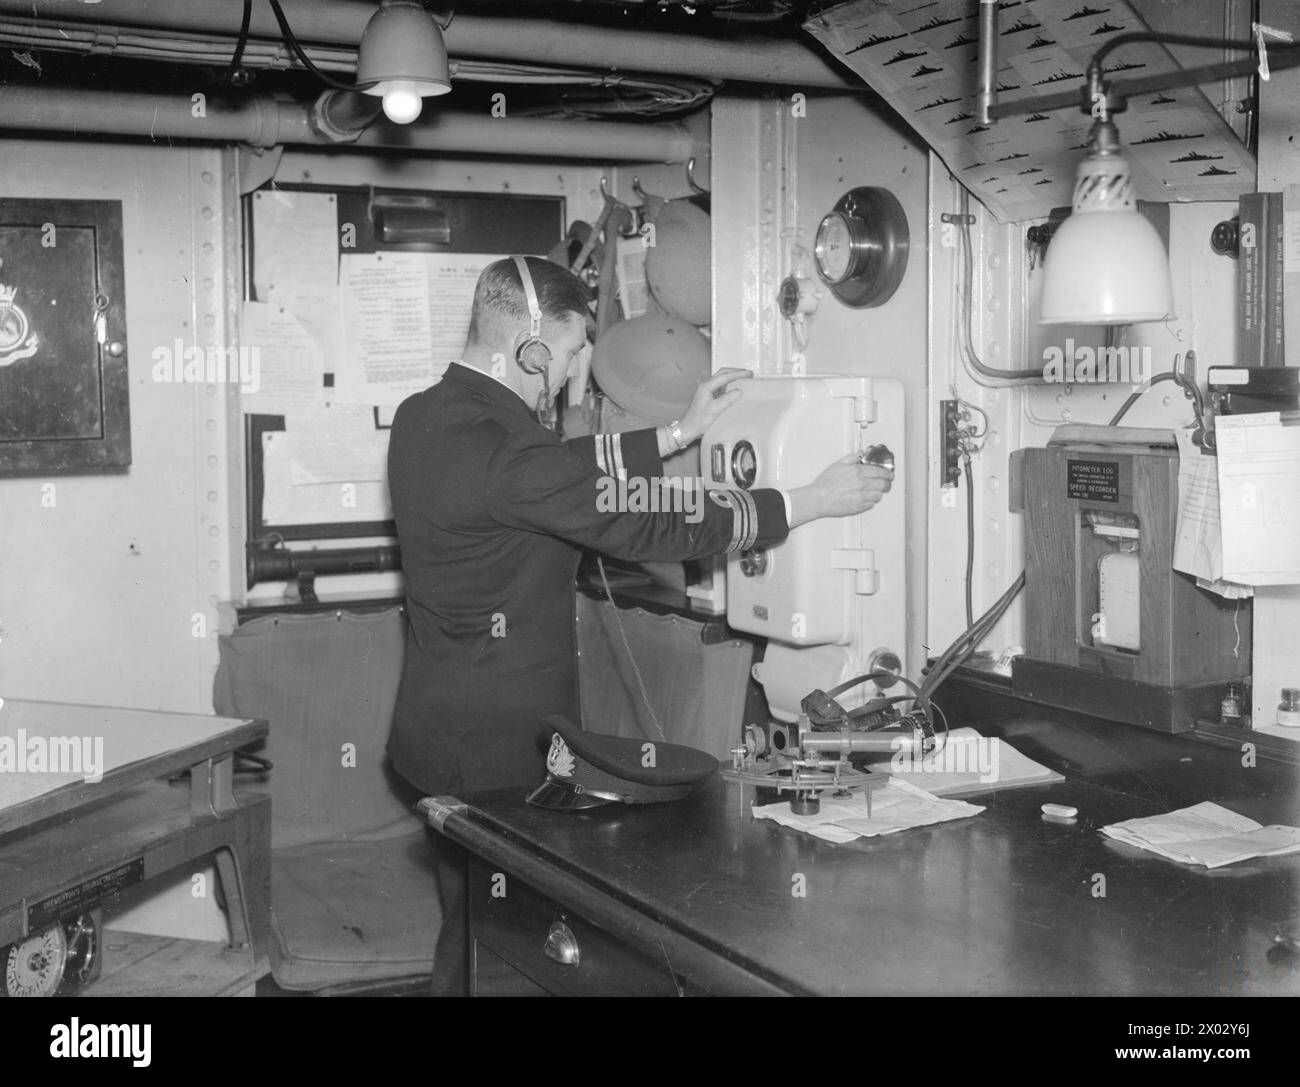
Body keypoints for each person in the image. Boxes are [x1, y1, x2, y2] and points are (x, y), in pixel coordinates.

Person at [386, 255, 892, 994]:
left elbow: (560, 468)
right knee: (501, 950)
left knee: (467, 926)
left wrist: (677, 432)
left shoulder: (423, 415)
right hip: (495, 754)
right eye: (567, 355)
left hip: (434, 730)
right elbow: (650, 522)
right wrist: (805, 501)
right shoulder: (511, 453)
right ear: (530, 347)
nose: (569, 376)